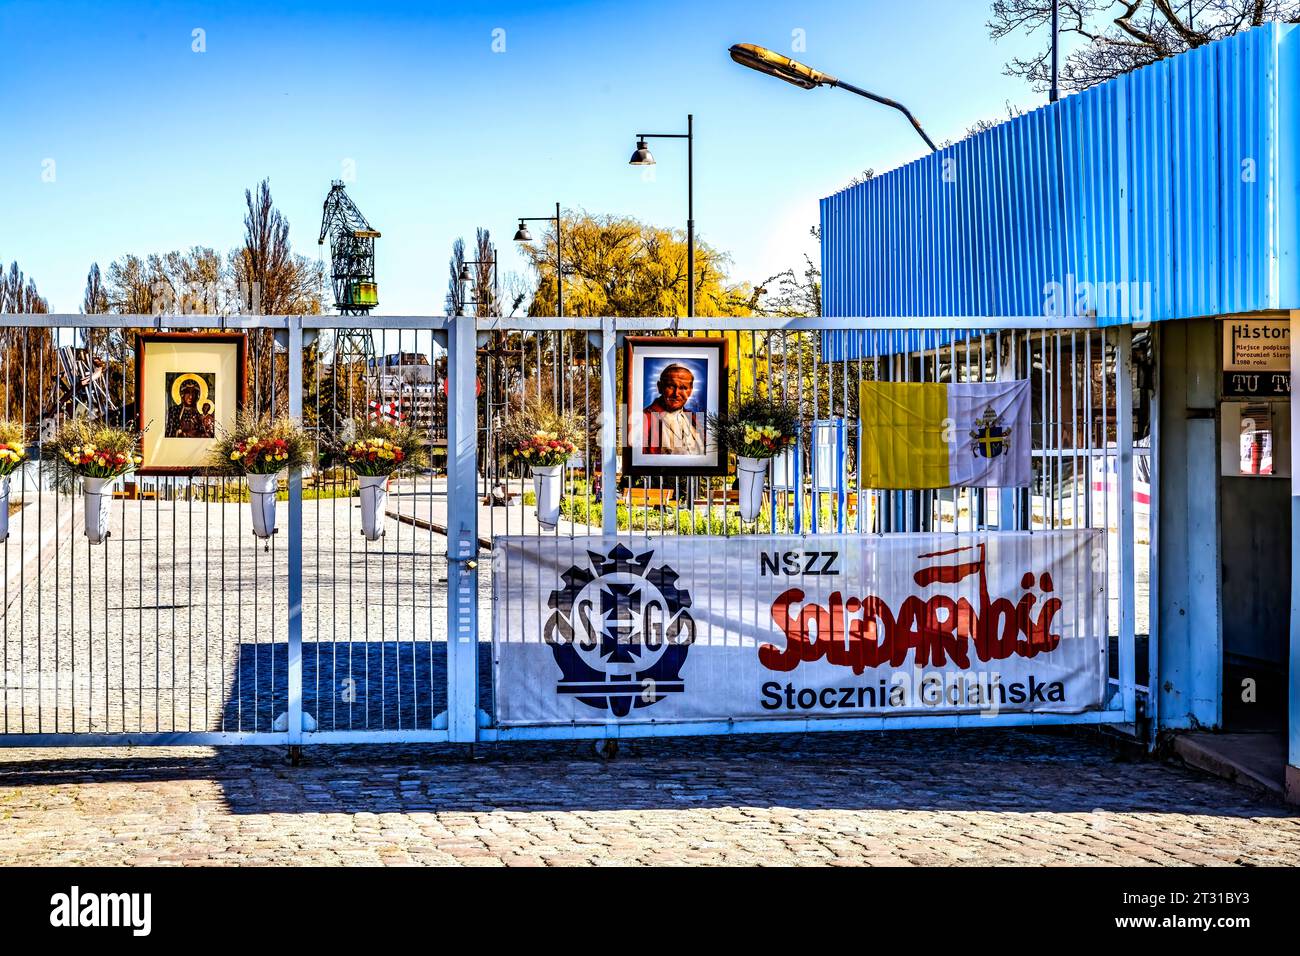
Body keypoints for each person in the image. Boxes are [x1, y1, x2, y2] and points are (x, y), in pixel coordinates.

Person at [642, 363, 704, 455]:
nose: (676, 393)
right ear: (660, 387)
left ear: (690, 390)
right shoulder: (645, 419)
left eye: (683, 388)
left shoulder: (694, 418)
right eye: (671, 386)